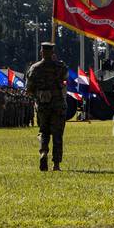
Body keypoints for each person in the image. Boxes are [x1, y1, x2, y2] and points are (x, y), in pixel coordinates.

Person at [26, 42, 68, 171]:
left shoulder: (34, 68)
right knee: (57, 134)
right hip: (58, 104)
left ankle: (43, 152)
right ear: (52, 52)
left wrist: (39, 95)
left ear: (41, 52)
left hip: (43, 104)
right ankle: (56, 164)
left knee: (43, 131)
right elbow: (64, 78)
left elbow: (29, 89)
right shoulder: (60, 67)